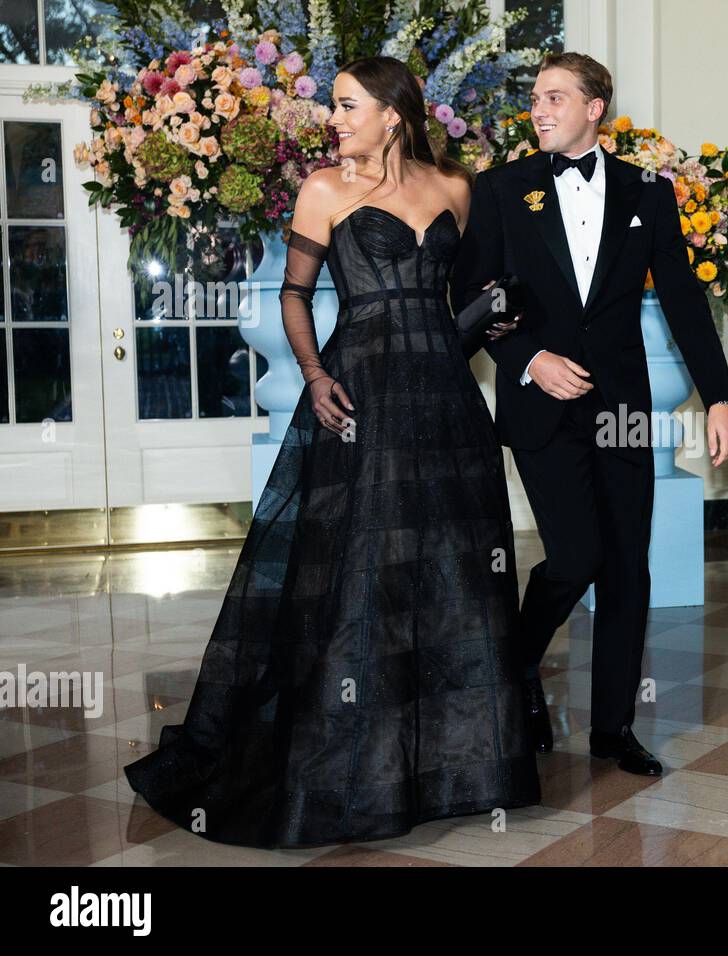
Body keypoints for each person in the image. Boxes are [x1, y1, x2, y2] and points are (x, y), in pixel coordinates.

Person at [123, 56, 541, 848]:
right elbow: (292, 292)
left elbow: (473, 293)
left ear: (393, 112)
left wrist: (497, 317)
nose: (334, 119)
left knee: (454, 565)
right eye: (335, 106)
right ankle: (351, 761)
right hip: (362, 393)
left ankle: (462, 768)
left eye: (348, 106)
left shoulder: (455, 185)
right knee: (361, 571)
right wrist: (315, 375)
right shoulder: (324, 189)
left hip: (448, 397)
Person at [451, 52, 728, 776]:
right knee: (577, 556)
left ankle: (612, 727)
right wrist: (527, 360)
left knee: (627, 570)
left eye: (554, 97)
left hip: (622, 410)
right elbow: (470, 300)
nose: (539, 110)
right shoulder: (499, 189)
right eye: (535, 98)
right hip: (539, 405)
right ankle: (514, 669)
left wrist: (721, 394)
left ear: (594, 107)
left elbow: (682, 298)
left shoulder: (650, 191)